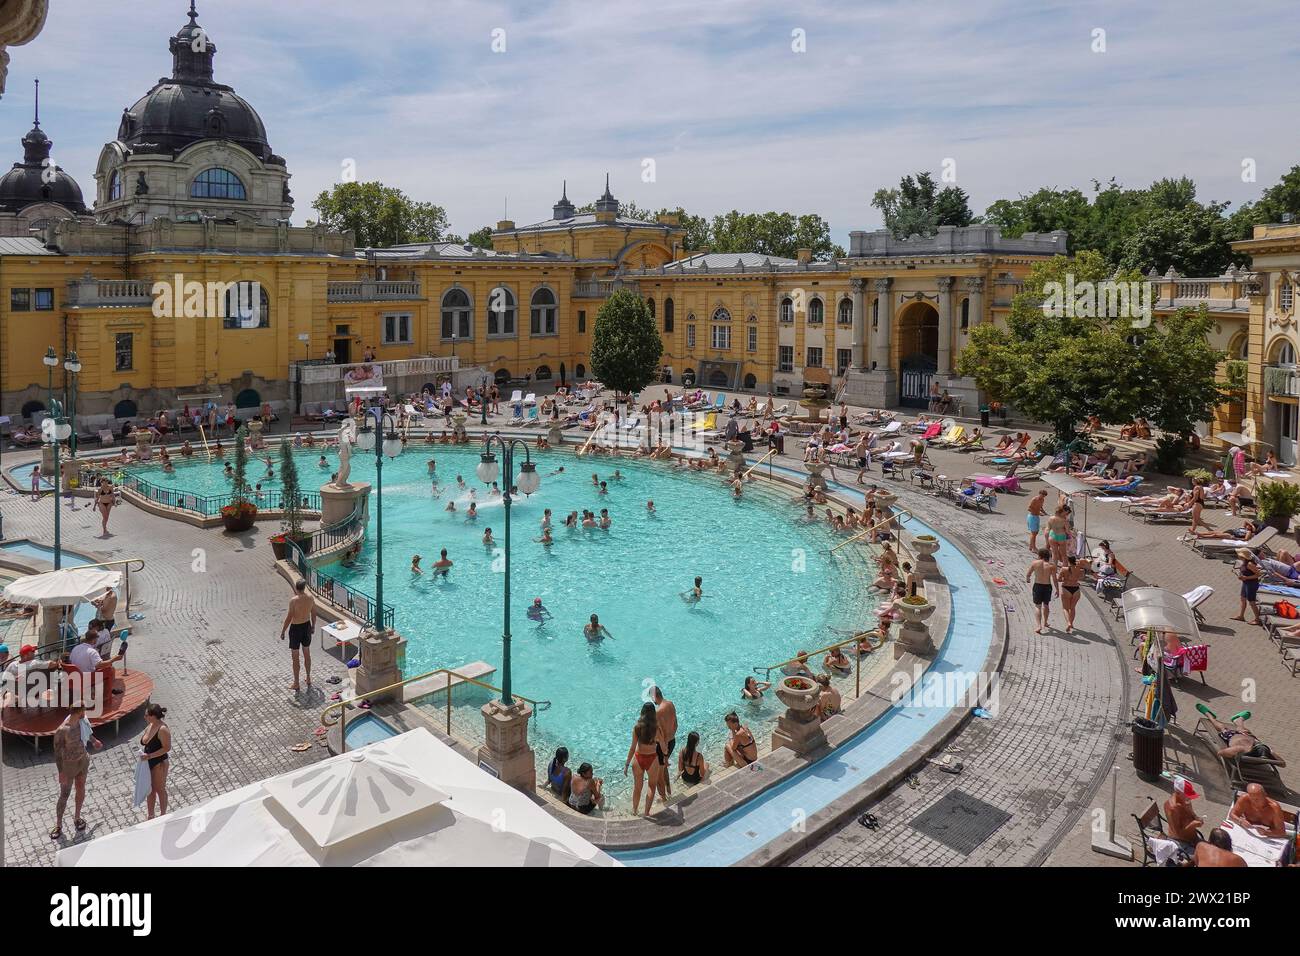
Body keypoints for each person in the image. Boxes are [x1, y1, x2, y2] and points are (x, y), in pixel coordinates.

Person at [51, 701, 102, 840]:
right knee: (64, 795)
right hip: (68, 766)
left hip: (82, 760)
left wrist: (94, 741)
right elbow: (57, 752)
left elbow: (87, 733)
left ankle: (77, 817)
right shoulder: (63, 730)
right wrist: (61, 771)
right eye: (84, 711)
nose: (85, 713)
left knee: (81, 788)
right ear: (79, 711)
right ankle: (58, 825)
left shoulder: (81, 721)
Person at [278, 580, 317, 693]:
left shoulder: (293, 601)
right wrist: (313, 626)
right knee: (307, 653)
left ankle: (296, 683)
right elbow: (314, 613)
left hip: (295, 629)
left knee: (295, 657)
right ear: (304, 588)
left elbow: (289, 617)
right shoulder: (310, 598)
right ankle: (308, 677)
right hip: (306, 627)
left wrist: (283, 631)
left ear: (296, 588)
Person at [624, 702, 661, 816]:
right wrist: (665, 758)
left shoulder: (637, 727)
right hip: (652, 759)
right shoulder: (656, 727)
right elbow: (662, 745)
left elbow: (632, 747)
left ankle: (634, 811)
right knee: (651, 786)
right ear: (653, 713)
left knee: (637, 788)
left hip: (639, 759)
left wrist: (627, 764)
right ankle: (646, 812)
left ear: (642, 712)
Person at [139, 703, 171, 819]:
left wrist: (150, 756)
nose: (145, 717)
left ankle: (163, 815)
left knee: (160, 789)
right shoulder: (150, 725)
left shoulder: (162, 729)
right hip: (148, 762)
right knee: (150, 789)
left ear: (153, 716)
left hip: (159, 763)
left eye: (147, 715)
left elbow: (167, 748)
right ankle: (151, 815)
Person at [653, 685, 677, 801]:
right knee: (664, 768)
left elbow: (660, 734)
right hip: (672, 741)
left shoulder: (658, 712)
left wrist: (664, 748)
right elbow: (676, 724)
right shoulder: (671, 704)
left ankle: (663, 798)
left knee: (658, 774)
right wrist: (669, 740)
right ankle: (669, 791)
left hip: (663, 746)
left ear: (654, 696)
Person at [1026, 548, 1058, 634]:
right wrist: (1057, 589)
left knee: (1038, 606)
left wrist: (1028, 579)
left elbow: (1028, 574)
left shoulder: (1035, 563)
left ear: (1040, 555)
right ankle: (1045, 622)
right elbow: (1055, 579)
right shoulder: (1052, 566)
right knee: (1046, 605)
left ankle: (1038, 625)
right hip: (1047, 586)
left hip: (1038, 585)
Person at [1164, 776, 1204, 844]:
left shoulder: (1184, 800)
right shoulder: (1173, 809)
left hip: (1192, 836)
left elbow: (1191, 814)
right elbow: (1178, 834)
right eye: (1187, 795)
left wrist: (1196, 817)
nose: (1190, 798)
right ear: (1178, 793)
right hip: (1182, 841)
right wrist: (1192, 825)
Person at [1058, 555, 1086, 633]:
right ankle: (1072, 623)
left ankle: (1068, 623)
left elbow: (1059, 579)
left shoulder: (1064, 569)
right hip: (1076, 590)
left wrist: (1064, 578)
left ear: (1068, 561)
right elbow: (1081, 578)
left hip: (1066, 588)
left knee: (1065, 608)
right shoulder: (1080, 570)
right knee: (1072, 608)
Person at [1026, 489, 1047, 553]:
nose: (1043, 497)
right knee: (1034, 533)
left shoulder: (1042, 500)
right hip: (1032, 516)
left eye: (1044, 496)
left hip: (1036, 517)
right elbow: (1029, 508)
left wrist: (1043, 511)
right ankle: (1034, 548)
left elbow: (1040, 507)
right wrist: (1039, 513)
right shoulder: (1034, 499)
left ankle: (1030, 546)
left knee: (1036, 532)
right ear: (1039, 494)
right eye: (1042, 495)